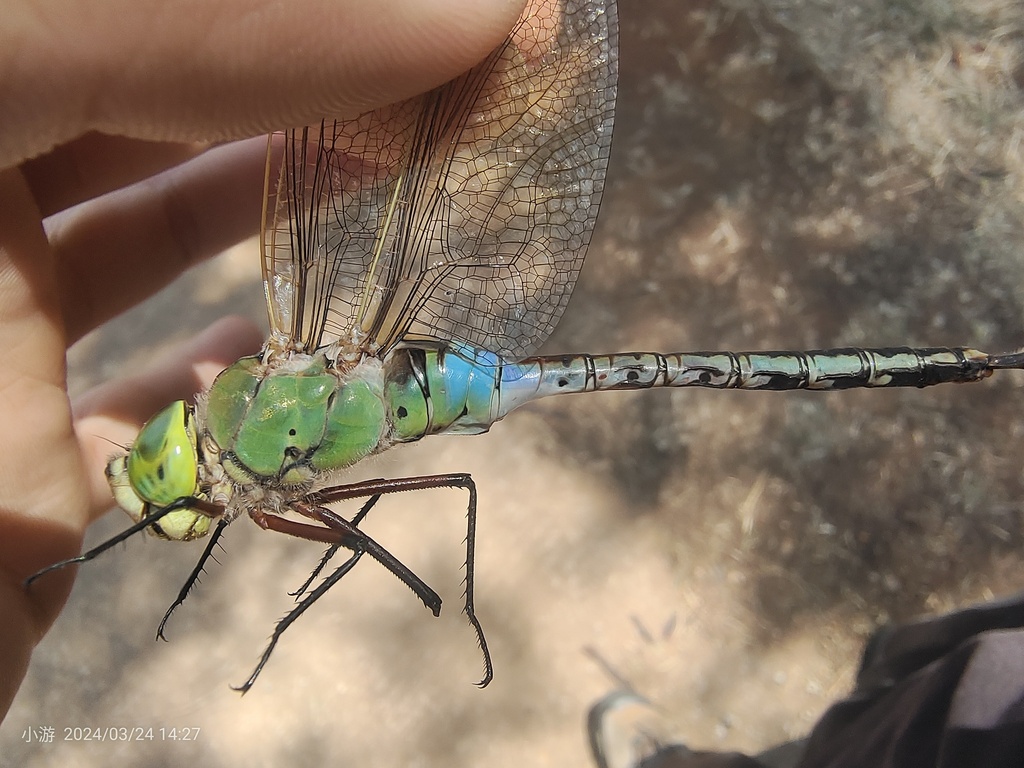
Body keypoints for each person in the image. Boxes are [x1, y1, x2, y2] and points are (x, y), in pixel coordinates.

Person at [0, 0, 527, 722]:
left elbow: (343, 534)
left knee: (396, 518)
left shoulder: (244, 464)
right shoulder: (244, 461)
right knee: (355, 531)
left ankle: (454, 611)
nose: (199, 485)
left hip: (420, 379)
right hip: (379, 382)